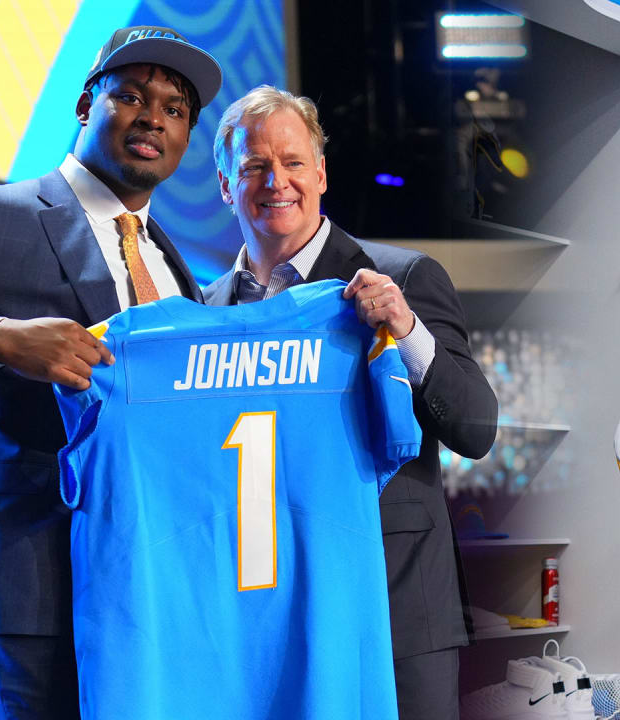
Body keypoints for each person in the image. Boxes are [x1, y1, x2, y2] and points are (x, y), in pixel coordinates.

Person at [0, 26, 222, 719]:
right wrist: (1, 340)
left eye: (176, 109)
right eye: (133, 96)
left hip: (151, 588)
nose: (154, 117)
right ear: (87, 106)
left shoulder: (176, 267)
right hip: (31, 591)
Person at [204, 85, 498, 719]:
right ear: (226, 186)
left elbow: (476, 427)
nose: (275, 181)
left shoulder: (405, 279)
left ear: (322, 174)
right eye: (253, 166)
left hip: (394, 611)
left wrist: (407, 330)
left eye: (292, 162)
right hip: (262, 618)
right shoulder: (205, 313)